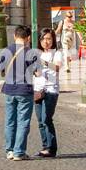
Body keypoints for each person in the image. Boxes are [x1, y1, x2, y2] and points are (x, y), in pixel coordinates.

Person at [0, 25, 39, 161]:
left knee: (10, 121)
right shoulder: (31, 52)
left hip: (9, 90)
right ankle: (19, 151)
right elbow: (38, 72)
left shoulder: (6, 51)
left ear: (14, 36)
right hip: (24, 90)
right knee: (23, 121)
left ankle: (10, 150)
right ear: (28, 38)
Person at [34, 29, 62, 158]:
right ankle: (45, 146)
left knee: (46, 118)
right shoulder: (36, 53)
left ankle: (52, 148)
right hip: (38, 90)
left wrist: (43, 63)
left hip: (51, 90)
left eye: (49, 38)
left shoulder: (57, 53)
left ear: (53, 40)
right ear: (40, 40)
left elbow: (57, 67)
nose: (46, 41)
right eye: (43, 38)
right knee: (40, 120)